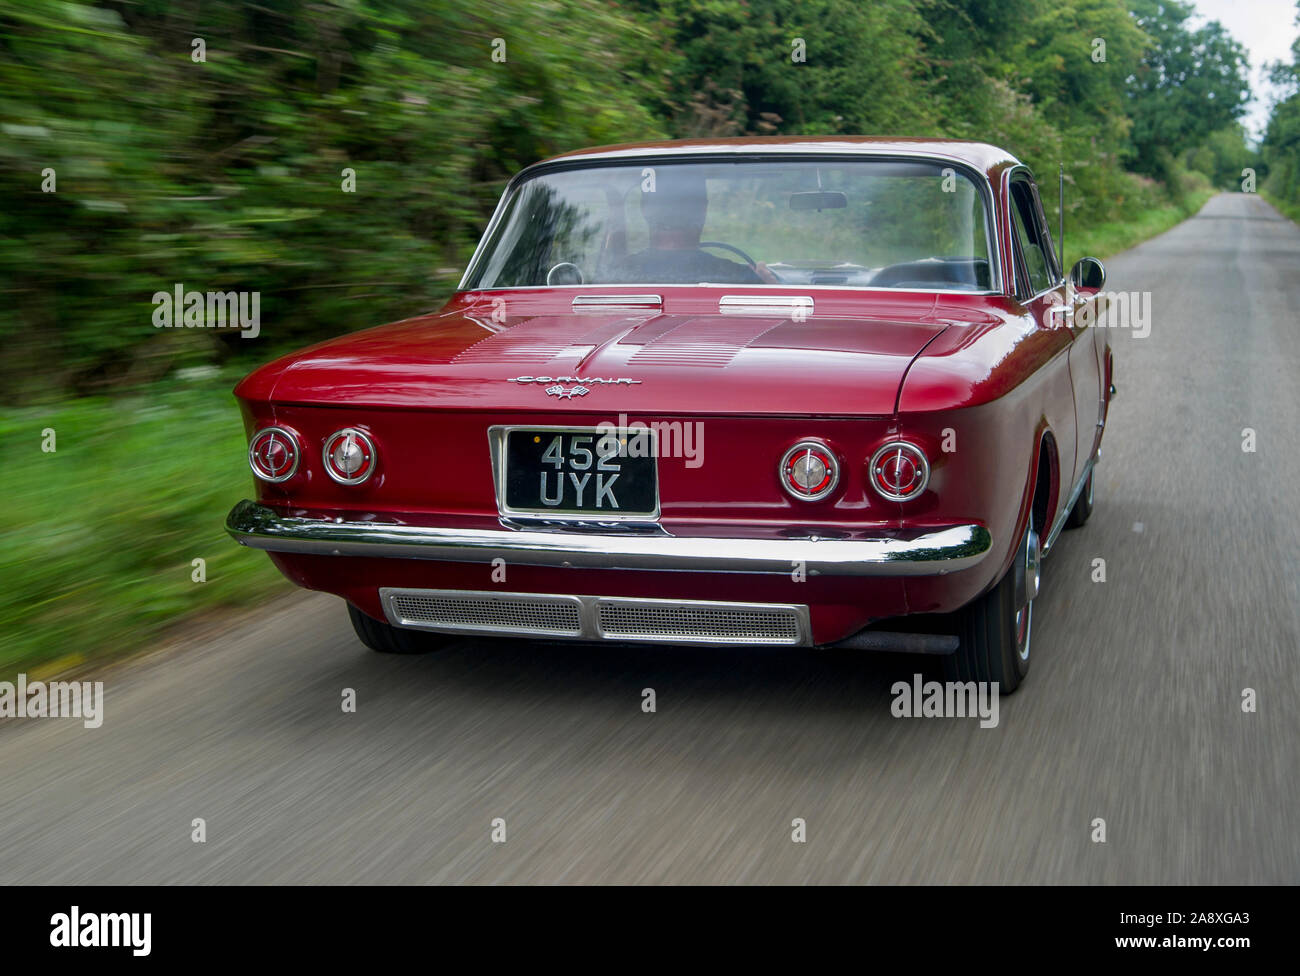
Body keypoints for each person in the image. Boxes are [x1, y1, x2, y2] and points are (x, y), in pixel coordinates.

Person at [612, 170, 774, 284]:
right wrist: (768, 283)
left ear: (644, 210)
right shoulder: (740, 278)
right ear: (703, 210)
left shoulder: (614, 276)